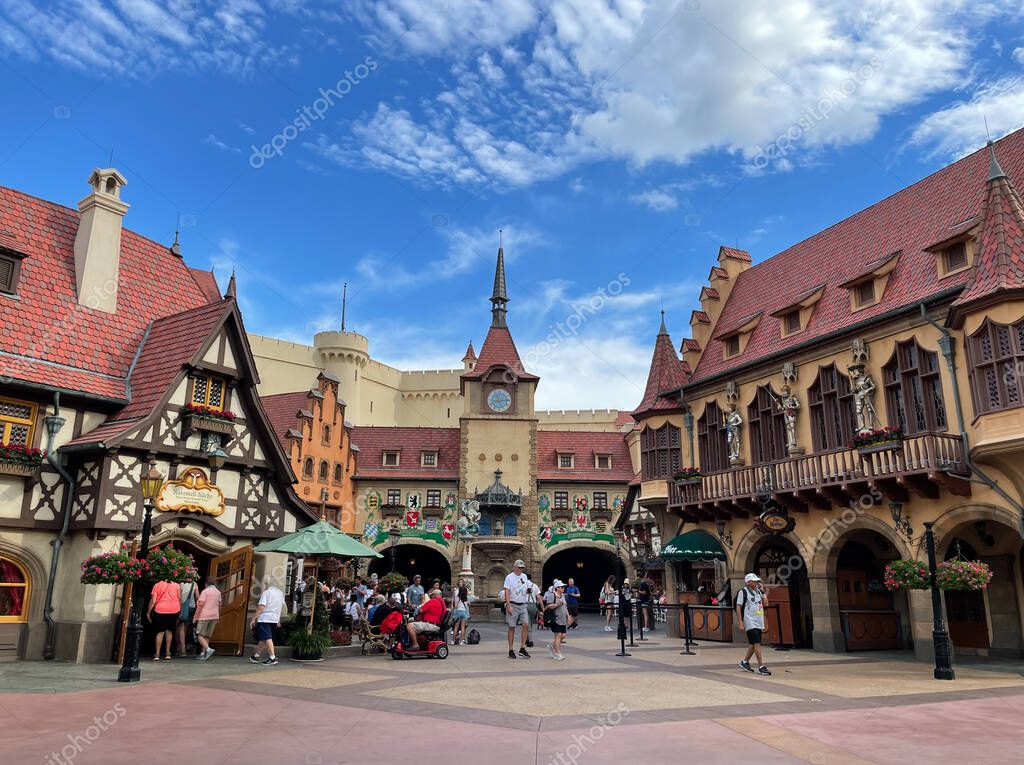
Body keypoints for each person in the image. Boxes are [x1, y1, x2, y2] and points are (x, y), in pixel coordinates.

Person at [736, 573, 771, 676]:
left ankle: (745, 662)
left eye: (757, 581)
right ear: (748, 582)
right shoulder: (743, 592)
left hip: (758, 620)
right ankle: (761, 666)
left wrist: (763, 592)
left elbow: (766, 604)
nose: (756, 582)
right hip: (749, 620)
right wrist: (740, 622)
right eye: (754, 581)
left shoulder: (758, 591)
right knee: (757, 643)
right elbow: (738, 606)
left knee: (753, 643)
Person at [250, 575, 285, 665]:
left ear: (266, 583)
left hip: (265, 618)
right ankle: (256, 656)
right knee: (264, 638)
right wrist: (278, 619)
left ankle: (272, 657)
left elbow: (261, 607)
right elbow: (280, 607)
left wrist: (254, 618)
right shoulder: (280, 593)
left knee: (267, 638)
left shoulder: (266, 593)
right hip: (274, 619)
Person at [502, 559, 533, 659]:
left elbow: (526, 588)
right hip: (513, 604)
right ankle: (511, 650)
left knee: (526, 624)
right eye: (519, 568)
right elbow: (507, 591)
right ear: (514, 567)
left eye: (522, 568)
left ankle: (522, 648)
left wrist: (528, 590)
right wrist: (508, 605)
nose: (521, 569)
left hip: (523, 604)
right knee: (512, 627)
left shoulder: (524, 576)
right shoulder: (509, 577)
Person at [147, 578, 180, 661]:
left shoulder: (157, 585)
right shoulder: (176, 585)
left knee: (160, 632)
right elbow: (179, 598)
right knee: (169, 631)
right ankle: (168, 653)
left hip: (160, 610)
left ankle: (157, 654)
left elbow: (153, 601)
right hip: (174, 610)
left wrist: (148, 612)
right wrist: (180, 610)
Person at [193, 577, 221, 661]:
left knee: (199, 635)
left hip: (204, 615)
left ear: (206, 584)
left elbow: (200, 605)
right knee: (207, 636)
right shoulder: (218, 592)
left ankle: (208, 650)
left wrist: (195, 617)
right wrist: (218, 615)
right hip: (214, 616)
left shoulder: (205, 591)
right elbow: (220, 605)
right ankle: (203, 654)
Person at [543, 580, 569, 660]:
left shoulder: (563, 596)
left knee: (563, 636)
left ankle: (552, 647)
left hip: (563, 619)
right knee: (558, 635)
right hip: (555, 618)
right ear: (557, 588)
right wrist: (557, 604)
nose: (563, 588)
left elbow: (565, 607)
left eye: (563, 587)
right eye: (562, 587)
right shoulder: (552, 595)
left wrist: (568, 616)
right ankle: (557, 653)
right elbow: (548, 606)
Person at [175, 578, 198, 657]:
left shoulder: (180, 584)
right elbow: (197, 596)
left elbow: (178, 597)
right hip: (191, 607)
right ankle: (180, 648)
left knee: (179, 628)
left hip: (182, 607)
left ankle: (182, 649)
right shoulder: (195, 584)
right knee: (185, 628)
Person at [450, 580, 471, 645]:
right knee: (462, 627)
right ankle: (462, 641)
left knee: (456, 627)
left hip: (457, 612)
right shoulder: (465, 599)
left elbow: (455, 604)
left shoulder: (457, 596)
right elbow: (468, 606)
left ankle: (453, 641)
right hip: (463, 612)